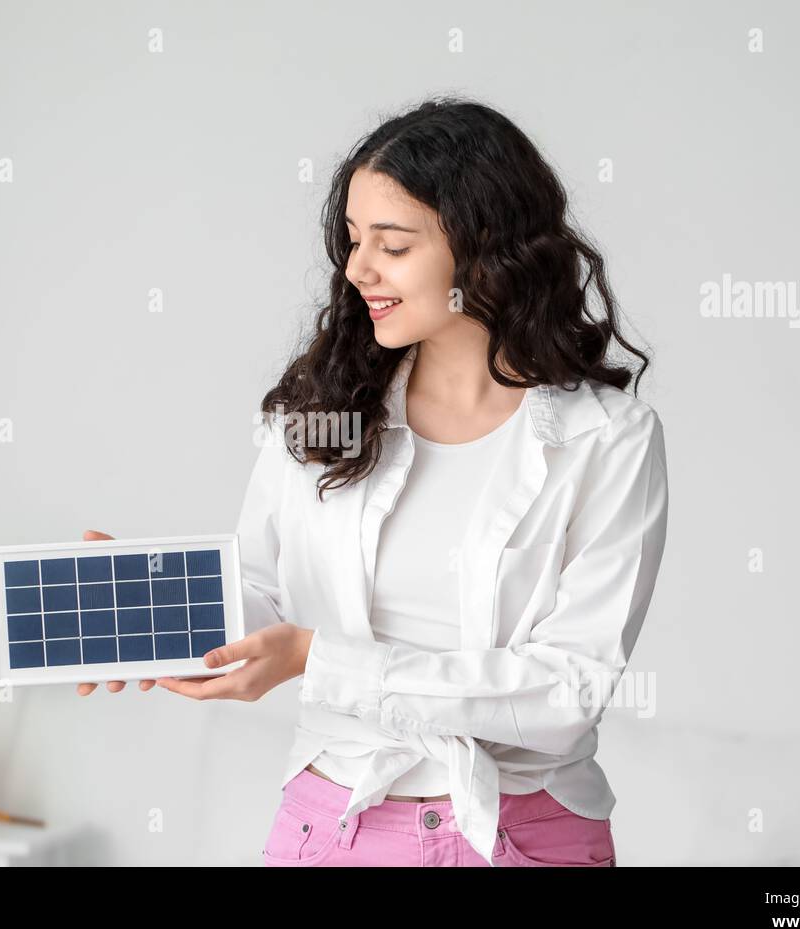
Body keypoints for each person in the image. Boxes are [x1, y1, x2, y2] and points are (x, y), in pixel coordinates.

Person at [76, 96, 669, 867]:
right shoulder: (322, 413)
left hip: (523, 838)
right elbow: (263, 590)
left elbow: (564, 694)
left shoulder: (608, 439)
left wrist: (319, 662)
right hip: (333, 831)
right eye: (354, 241)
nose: (357, 268)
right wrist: (161, 606)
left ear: (484, 246)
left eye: (391, 244)